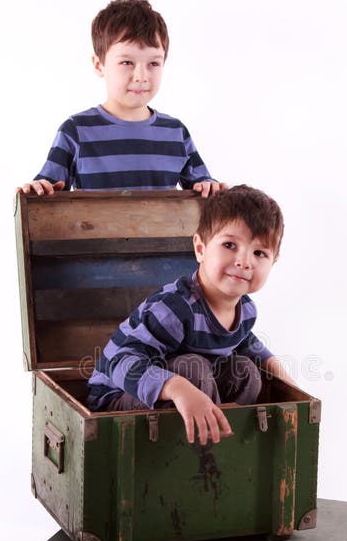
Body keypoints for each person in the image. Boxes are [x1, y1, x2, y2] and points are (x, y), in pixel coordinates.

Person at [86, 185, 294, 445]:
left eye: (259, 253)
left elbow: (243, 342)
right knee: (192, 368)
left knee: (246, 372)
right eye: (230, 245)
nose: (244, 261)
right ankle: (197, 451)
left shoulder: (246, 310)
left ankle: (222, 444)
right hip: (117, 397)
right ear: (200, 248)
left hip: (185, 387)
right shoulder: (175, 308)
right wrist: (178, 388)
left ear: (273, 261)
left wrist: (278, 371)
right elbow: (119, 363)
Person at [17, 0, 223, 197]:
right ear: (99, 65)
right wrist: (39, 186)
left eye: (153, 63)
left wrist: (208, 186)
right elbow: (48, 191)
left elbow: (203, 188)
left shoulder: (176, 132)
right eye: (127, 62)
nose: (141, 76)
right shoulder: (76, 131)